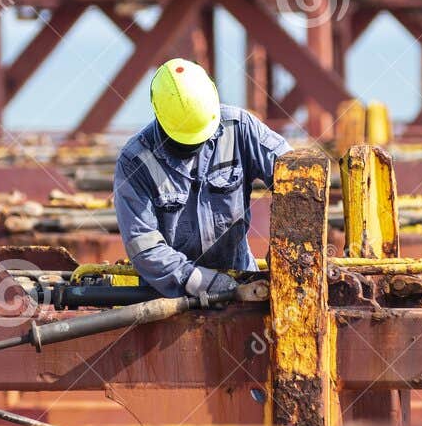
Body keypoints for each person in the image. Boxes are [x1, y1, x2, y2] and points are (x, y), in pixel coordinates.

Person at [113, 58, 291, 299]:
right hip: (170, 298)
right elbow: (144, 246)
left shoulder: (239, 128)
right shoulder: (135, 161)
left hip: (243, 280)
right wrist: (202, 282)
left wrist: (287, 248)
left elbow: (296, 178)